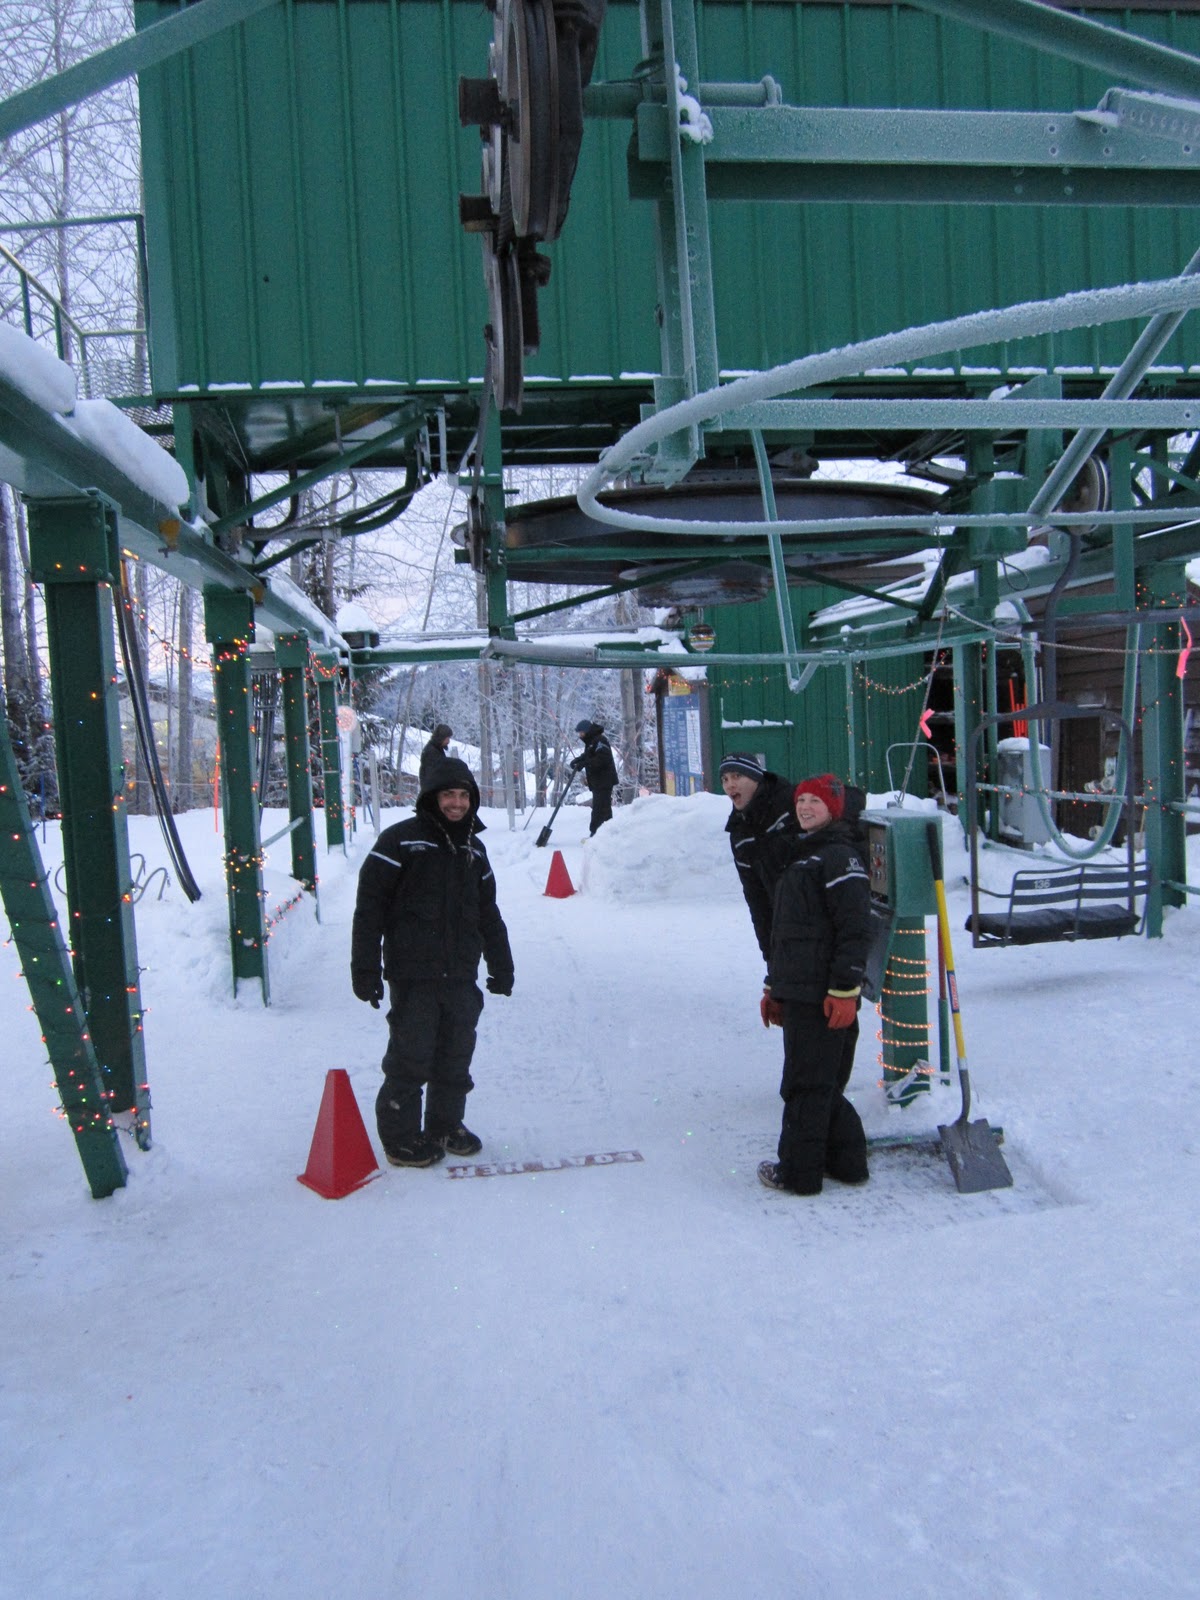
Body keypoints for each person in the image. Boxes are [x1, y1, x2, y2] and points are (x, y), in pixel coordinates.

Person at [350, 756, 514, 1167]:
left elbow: (488, 912)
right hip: (414, 974)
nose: (457, 803)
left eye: (464, 796)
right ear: (431, 798)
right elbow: (370, 909)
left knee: (455, 1054)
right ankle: (401, 1138)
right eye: (448, 795)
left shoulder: (473, 849)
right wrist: (365, 968)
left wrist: (501, 963)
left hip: (461, 973)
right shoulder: (400, 841)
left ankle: (445, 1124)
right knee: (411, 1056)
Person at [758, 774, 871, 1196]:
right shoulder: (805, 853)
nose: (804, 808)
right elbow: (789, 934)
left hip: (824, 994)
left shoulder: (839, 858)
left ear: (834, 810)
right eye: (801, 800)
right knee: (819, 1085)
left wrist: (845, 990)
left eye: (815, 802)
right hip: (802, 989)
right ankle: (846, 1162)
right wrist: (775, 988)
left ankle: (798, 1173)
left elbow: (855, 930)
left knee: (805, 1086)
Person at [720, 752, 800, 968]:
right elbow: (756, 897)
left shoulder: (791, 804)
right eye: (725, 779)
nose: (730, 785)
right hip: (782, 928)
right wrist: (769, 955)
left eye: (737, 776)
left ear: (755, 777)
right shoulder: (739, 832)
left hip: (816, 922)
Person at [569, 719, 619, 835]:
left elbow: (602, 759)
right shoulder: (592, 741)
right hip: (598, 782)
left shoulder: (600, 740)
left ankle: (597, 834)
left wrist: (585, 763)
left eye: (581, 732)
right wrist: (579, 760)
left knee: (600, 808)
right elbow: (589, 755)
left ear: (587, 731)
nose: (580, 735)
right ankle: (603, 834)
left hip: (604, 781)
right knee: (601, 808)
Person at [419, 723, 453, 789]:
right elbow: (434, 774)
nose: (448, 741)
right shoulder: (431, 752)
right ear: (441, 738)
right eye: (447, 738)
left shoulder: (437, 749)